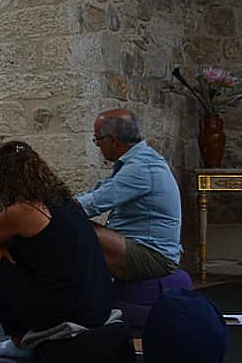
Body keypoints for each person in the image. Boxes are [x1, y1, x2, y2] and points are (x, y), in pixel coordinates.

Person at [0, 141, 114, 358]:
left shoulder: (23, 211)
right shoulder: (65, 202)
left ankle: (18, 340)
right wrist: (1, 243)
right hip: (98, 306)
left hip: (70, 312)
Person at [76, 109, 182, 282]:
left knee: (74, 228)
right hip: (139, 245)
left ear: (113, 140)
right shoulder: (136, 160)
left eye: (97, 140)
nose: (98, 146)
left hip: (154, 256)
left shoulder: (141, 167)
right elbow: (96, 193)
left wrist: (46, 208)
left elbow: (91, 205)